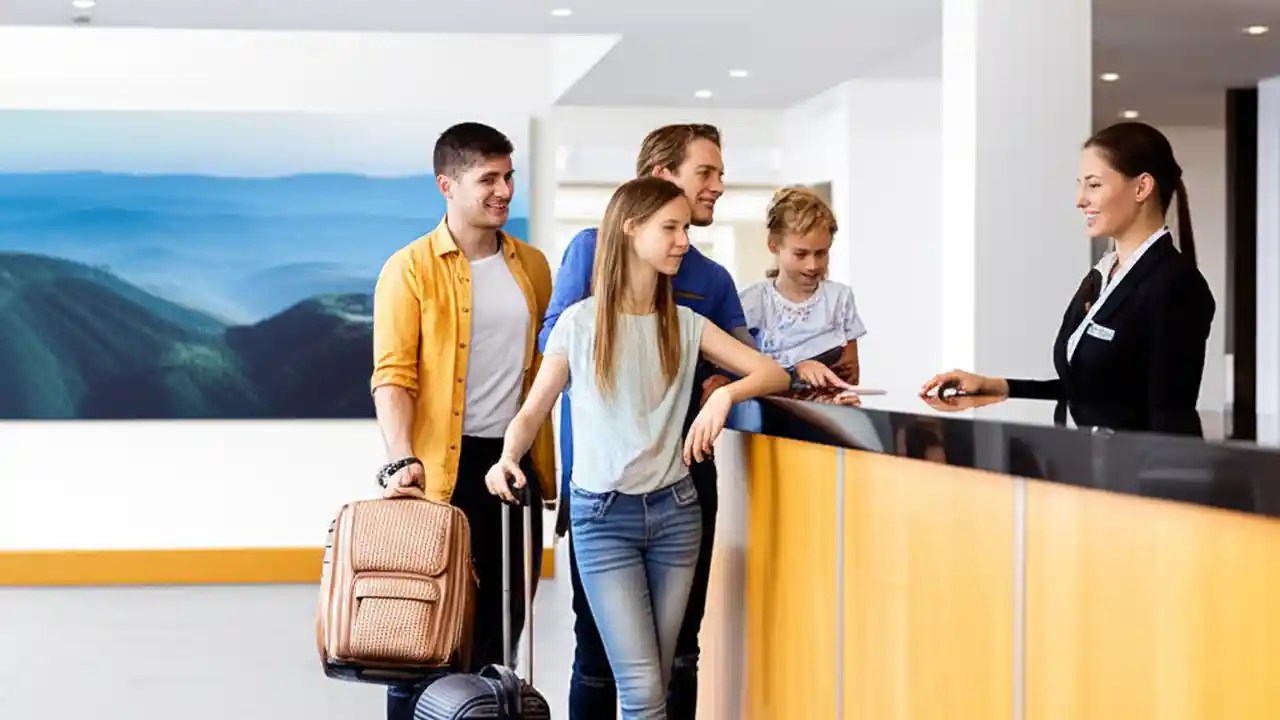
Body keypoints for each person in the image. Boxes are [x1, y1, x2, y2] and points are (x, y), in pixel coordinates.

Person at [486, 176, 790, 720]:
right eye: (670, 228)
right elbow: (532, 411)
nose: (683, 241)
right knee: (644, 687)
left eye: (684, 229)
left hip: (677, 515)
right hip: (603, 521)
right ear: (631, 229)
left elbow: (772, 374)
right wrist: (508, 457)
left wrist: (724, 398)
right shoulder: (580, 324)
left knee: (659, 679)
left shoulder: (687, 324)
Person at [539, 123, 752, 720]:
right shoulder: (592, 250)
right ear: (661, 179)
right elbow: (557, 346)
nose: (718, 185)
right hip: (603, 487)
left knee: (678, 655)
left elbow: (750, 360)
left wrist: (722, 386)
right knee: (598, 656)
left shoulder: (711, 280)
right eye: (705, 172)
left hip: (682, 482)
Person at [368, 122, 556, 720]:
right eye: (488, 179)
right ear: (446, 185)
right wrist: (402, 461)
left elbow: (546, 370)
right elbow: (393, 376)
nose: (504, 191)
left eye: (509, 177)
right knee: (422, 640)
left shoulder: (532, 267)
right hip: (438, 475)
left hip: (513, 468)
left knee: (500, 640)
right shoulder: (410, 268)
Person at [920, 121, 1215, 434]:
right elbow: (1091, 389)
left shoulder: (1175, 284)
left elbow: (1170, 417)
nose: (1080, 200)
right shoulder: (1104, 276)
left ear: (1141, 187)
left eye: (1094, 185)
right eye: (1080, 185)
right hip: (1090, 458)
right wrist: (997, 386)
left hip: (1131, 464)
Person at [739, 185, 866, 390]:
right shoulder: (751, 302)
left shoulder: (840, 299)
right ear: (773, 245)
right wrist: (796, 372)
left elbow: (851, 375)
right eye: (801, 254)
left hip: (828, 406)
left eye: (821, 253)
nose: (812, 265)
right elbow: (741, 373)